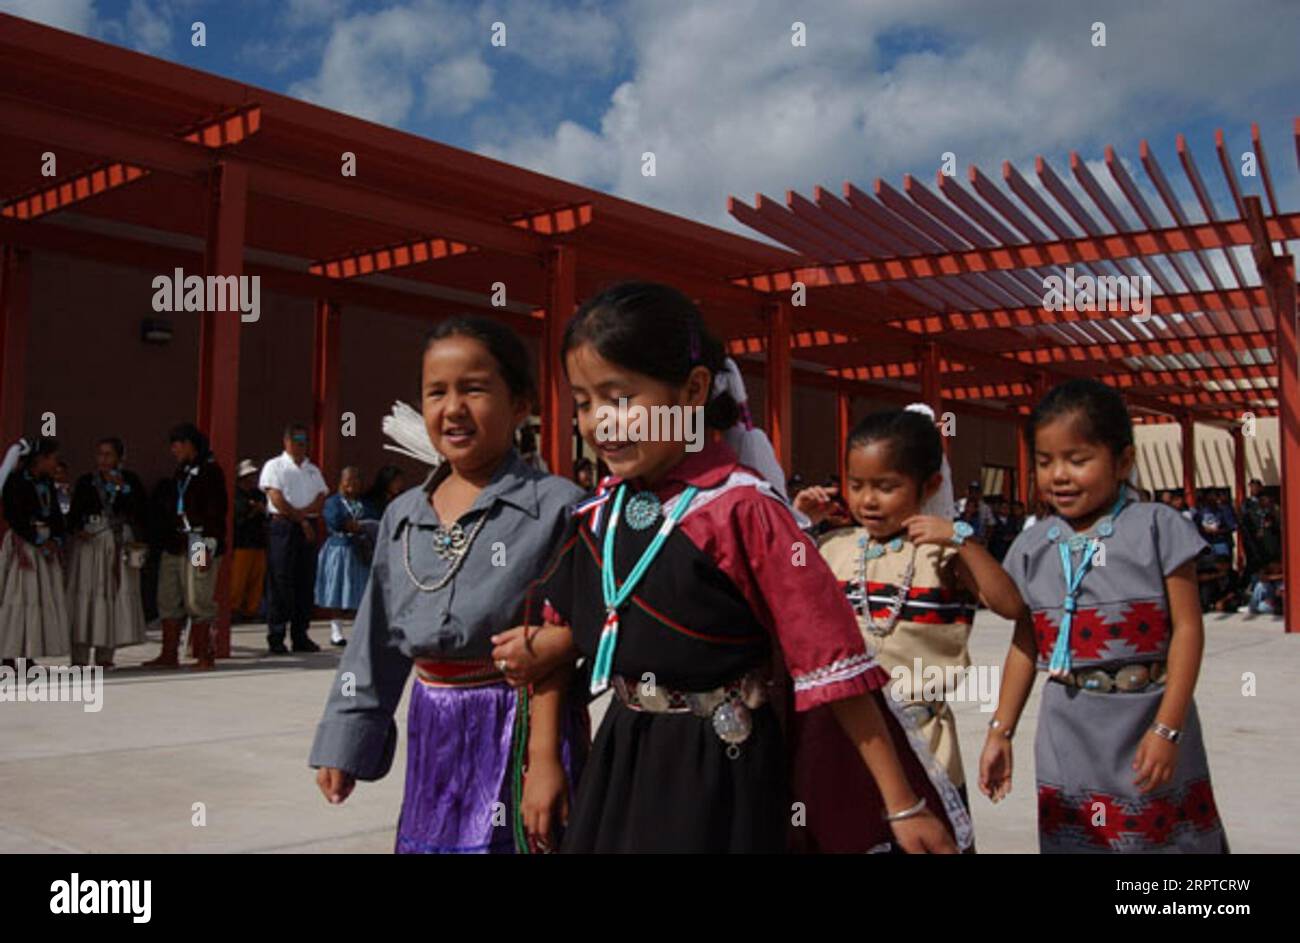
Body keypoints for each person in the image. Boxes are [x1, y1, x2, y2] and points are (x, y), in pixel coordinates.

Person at [521, 281, 956, 853]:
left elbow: (833, 664)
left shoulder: (743, 511)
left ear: (694, 390)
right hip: (622, 755)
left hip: (721, 768)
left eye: (619, 397)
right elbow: (557, 633)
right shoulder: (598, 515)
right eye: (583, 402)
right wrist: (543, 759)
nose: (600, 421)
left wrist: (901, 802)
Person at [311, 317, 586, 854]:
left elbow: (590, 626)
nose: (452, 408)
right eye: (436, 392)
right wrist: (345, 740)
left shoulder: (559, 507)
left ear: (521, 404)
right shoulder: (403, 515)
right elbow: (374, 642)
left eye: (474, 388)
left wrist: (546, 755)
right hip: (434, 724)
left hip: (520, 727)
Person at [981, 379, 1227, 853]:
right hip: (1067, 732)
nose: (1059, 476)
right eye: (1045, 461)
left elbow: (1188, 630)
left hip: (1148, 723)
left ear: (1124, 461)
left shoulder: (1158, 526)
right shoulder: (1032, 545)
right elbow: (1025, 644)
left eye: (1078, 459)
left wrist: (1167, 727)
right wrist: (1000, 731)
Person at [793, 405, 1023, 853]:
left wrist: (960, 538)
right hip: (845, 742)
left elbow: (1009, 604)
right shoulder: (832, 547)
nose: (868, 501)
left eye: (886, 487)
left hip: (924, 743)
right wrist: (800, 522)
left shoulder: (944, 555)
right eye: (856, 485)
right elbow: (784, 594)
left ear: (930, 485)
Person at [143, 423, 228, 670]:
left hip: (199, 542)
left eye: (176, 445)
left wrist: (210, 546)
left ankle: (204, 653)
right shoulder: (181, 471)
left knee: (198, 597)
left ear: (190, 444)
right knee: (168, 596)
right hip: (176, 542)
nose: (173, 450)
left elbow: (218, 511)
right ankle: (169, 653)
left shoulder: (211, 471)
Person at [66, 437, 148, 669]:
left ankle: (105, 655)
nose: (103, 459)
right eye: (99, 454)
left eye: (108, 455)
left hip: (119, 541)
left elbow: (141, 511)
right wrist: (79, 530)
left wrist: (123, 488)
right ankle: (79, 656)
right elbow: (74, 516)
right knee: (87, 596)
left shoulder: (130, 481)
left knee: (112, 596)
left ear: (120, 458)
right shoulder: (86, 482)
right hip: (92, 543)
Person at [0, 437, 70, 667]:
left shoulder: (47, 483)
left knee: (36, 601)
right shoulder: (16, 482)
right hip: (25, 546)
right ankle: (8, 654)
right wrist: (38, 539)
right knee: (18, 599)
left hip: (43, 548)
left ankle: (28, 652)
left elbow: (56, 514)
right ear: (40, 459)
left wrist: (57, 539)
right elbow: (14, 516)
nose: (56, 464)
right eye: (53, 459)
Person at [259, 424, 328, 655]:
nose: (301, 446)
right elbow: (275, 496)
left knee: (304, 580)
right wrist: (301, 519)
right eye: (297, 441)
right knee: (280, 580)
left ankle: (300, 635)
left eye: (304, 441)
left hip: (306, 525)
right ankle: (276, 635)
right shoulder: (275, 466)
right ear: (286, 442)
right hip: (284, 526)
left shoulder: (312, 470)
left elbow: (321, 497)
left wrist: (307, 516)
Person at [314, 466, 378, 648]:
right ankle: (336, 631)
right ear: (341, 482)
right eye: (348, 480)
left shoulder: (365, 504)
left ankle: (360, 631)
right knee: (337, 589)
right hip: (339, 551)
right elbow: (336, 521)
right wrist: (353, 525)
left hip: (361, 551)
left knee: (361, 590)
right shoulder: (333, 502)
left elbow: (374, 521)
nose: (353, 483)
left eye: (357, 479)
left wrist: (357, 526)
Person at [230, 458, 269, 622]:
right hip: (242, 543)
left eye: (254, 475)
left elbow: (266, 512)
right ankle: (233, 609)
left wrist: (259, 510)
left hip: (259, 542)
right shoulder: (236, 495)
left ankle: (251, 610)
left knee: (256, 579)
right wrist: (253, 510)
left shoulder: (259, 494)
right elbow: (239, 516)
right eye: (249, 476)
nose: (252, 479)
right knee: (238, 580)